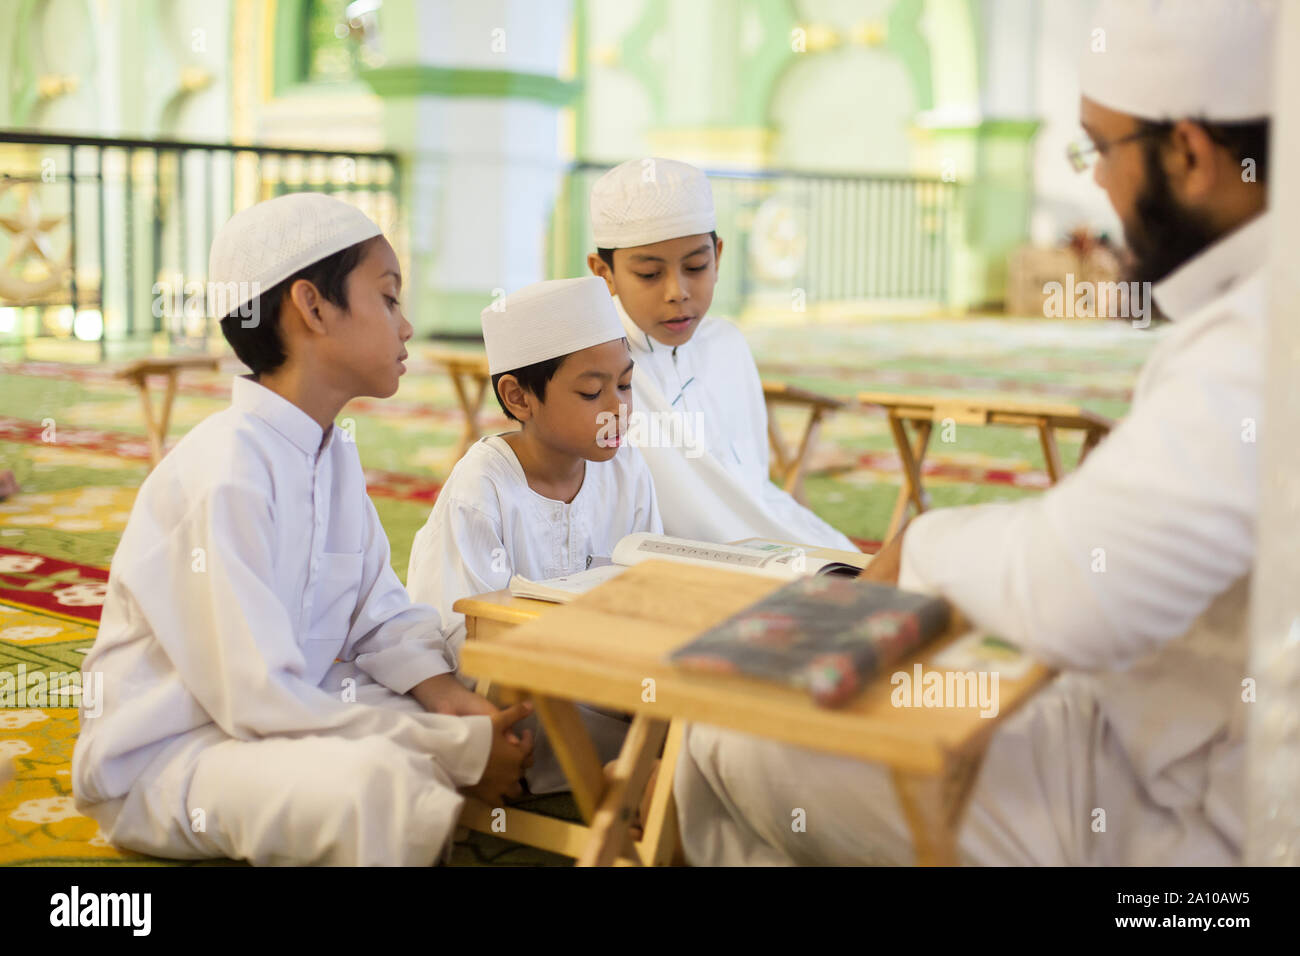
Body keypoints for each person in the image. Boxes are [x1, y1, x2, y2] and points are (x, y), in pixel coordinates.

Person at [673, 0, 1273, 866]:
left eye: (1100, 149)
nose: (1097, 183)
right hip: (1157, 729)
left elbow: (1077, 594)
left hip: (1192, 822)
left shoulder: (1260, 343)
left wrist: (921, 547)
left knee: (740, 731)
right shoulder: (1250, 312)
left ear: (1189, 152)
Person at [73, 192, 533, 866]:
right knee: (371, 783)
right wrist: (455, 746)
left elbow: (380, 610)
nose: (406, 327)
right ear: (313, 307)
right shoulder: (225, 472)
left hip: (299, 710)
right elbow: (255, 700)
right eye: (388, 298)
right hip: (186, 753)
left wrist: (450, 703)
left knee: (485, 688)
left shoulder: (329, 449)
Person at [407, 276, 661, 793]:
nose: (617, 406)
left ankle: (650, 765)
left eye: (626, 384)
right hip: (512, 691)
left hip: (605, 672)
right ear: (518, 397)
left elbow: (648, 588)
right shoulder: (482, 485)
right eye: (592, 391)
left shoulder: (628, 472)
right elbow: (463, 640)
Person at [587, 158, 856, 551]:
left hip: (763, 531)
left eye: (696, 266)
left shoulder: (726, 344)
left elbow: (752, 483)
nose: (677, 291)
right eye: (649, 274)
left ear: (718, 256)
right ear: (603, 273)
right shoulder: (598, 368)